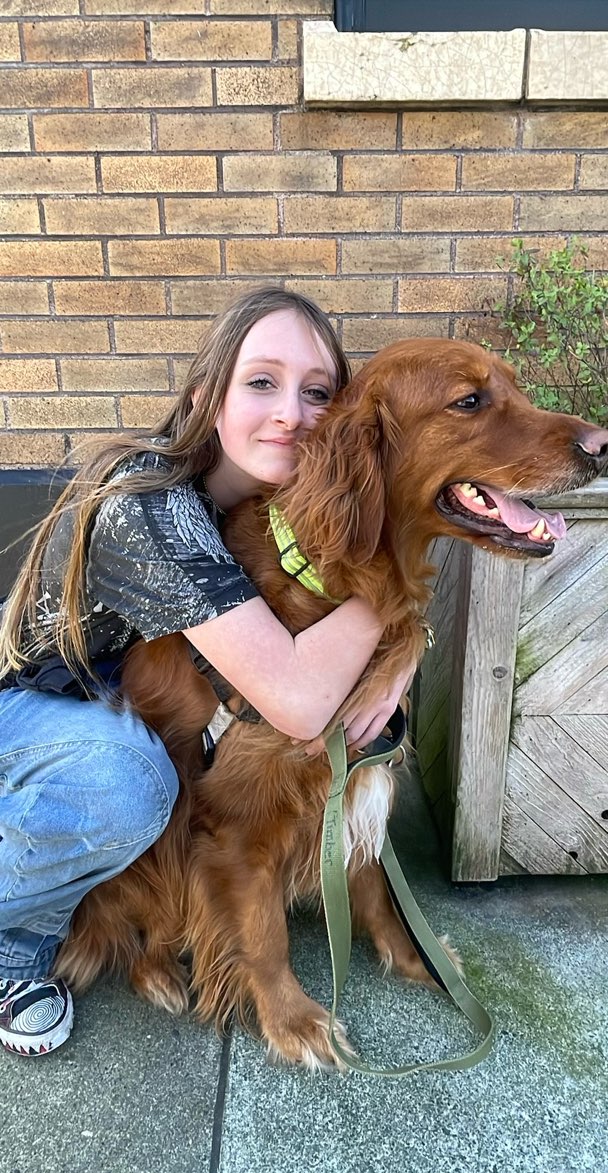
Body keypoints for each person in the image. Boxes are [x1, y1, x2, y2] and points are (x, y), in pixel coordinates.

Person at [0, 286, 415, 1057]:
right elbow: (296, 698)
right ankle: (16, 941)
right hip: (33, 714)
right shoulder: (147, 501)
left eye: (317, 392)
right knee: (131, 785)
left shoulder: (268, 503)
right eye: (261, 382)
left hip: (125, 706)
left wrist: (403, 639)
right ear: (206, 397)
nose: (292, 412)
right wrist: (402, 611)